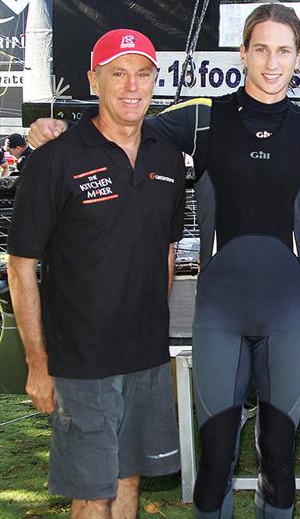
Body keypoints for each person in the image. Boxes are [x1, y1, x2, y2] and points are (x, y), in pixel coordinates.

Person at [27, 4, 300, 519]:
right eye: (261, 49)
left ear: (299, 58)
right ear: (243, 53)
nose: (271, 62)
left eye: (283, 51)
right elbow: (119, 121)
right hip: (220, 311)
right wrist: (56, 127)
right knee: (216, 456)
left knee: (279, 456)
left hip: (286, 310)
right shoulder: (203, 117)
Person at [7, 29, 185, 519]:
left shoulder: (167, 157)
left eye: (143, 74)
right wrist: (37, 362)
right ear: (93, 79)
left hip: (145, 355)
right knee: (92, 492)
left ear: (155, 81)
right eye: (118, 73)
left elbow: (167, 252)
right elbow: (21, 266)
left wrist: (152, 325)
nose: (132, 86)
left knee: (128, 476)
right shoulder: (54, 160)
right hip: (81, 360)